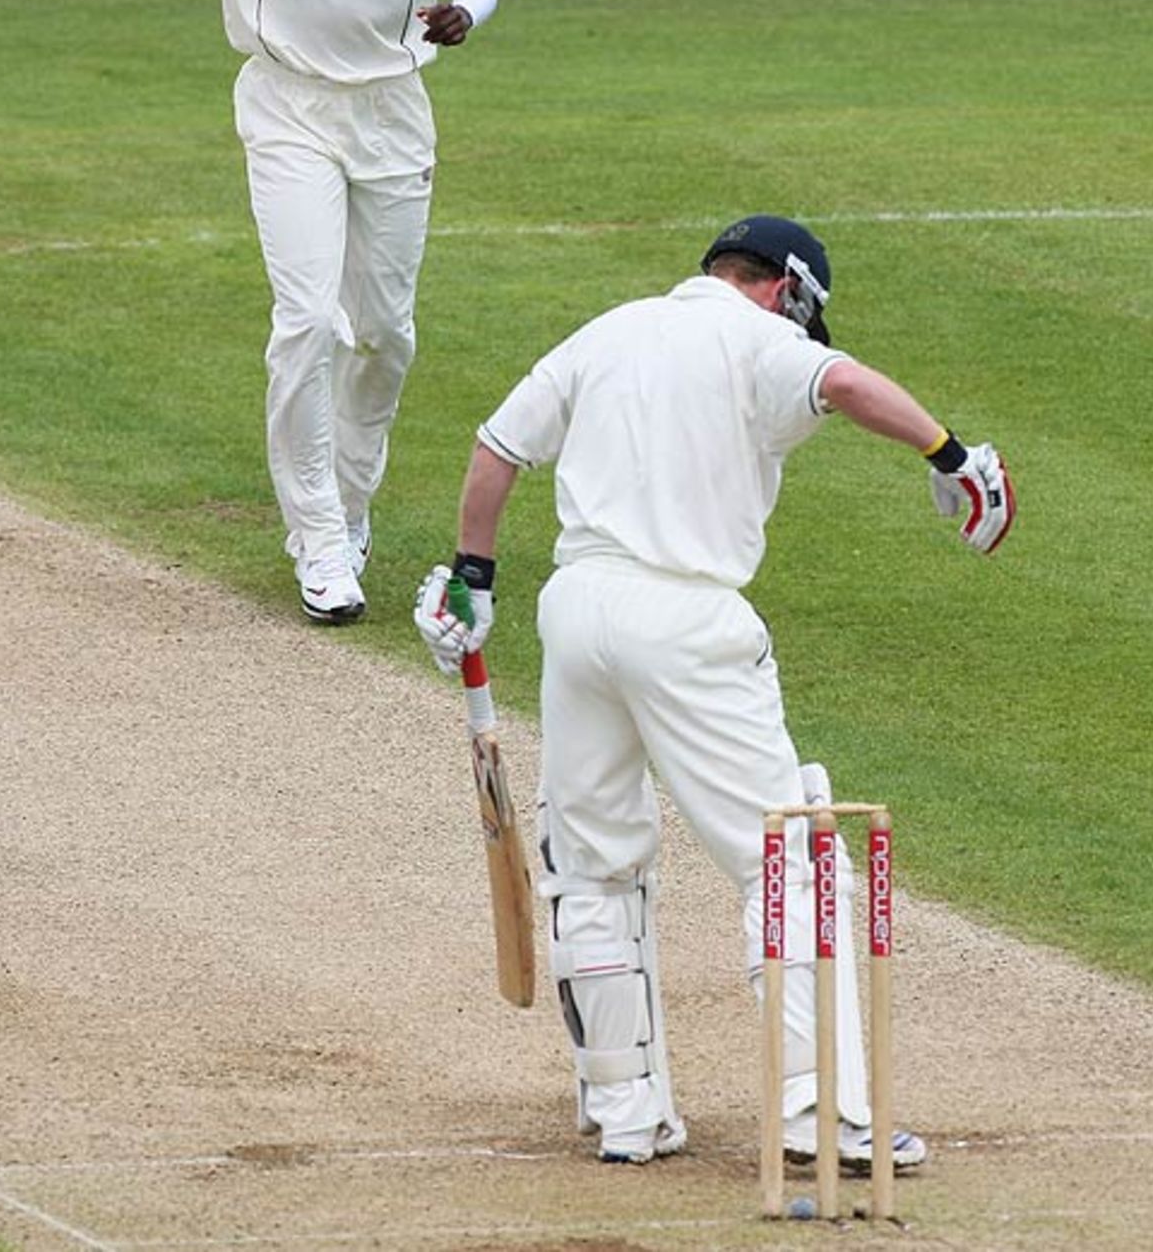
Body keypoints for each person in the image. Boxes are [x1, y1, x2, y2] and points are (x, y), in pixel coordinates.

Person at [414, 214, 1016, 1167]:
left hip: (577, 613)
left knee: (595, 862)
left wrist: (470, 577)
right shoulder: (764, 339)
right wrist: (953, 455)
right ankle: (825, 1116)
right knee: (792, 854)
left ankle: (625, 1111)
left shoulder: (612, 328)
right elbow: (848, 382)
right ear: (785, 290)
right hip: (688, 623)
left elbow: (497, 450)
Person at [174, 0, 510, 623]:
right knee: (308, 322)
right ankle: (317, 538)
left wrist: (466, 12)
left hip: (393, 111)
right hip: (288, 106)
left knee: (385, 333)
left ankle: (351, 508)